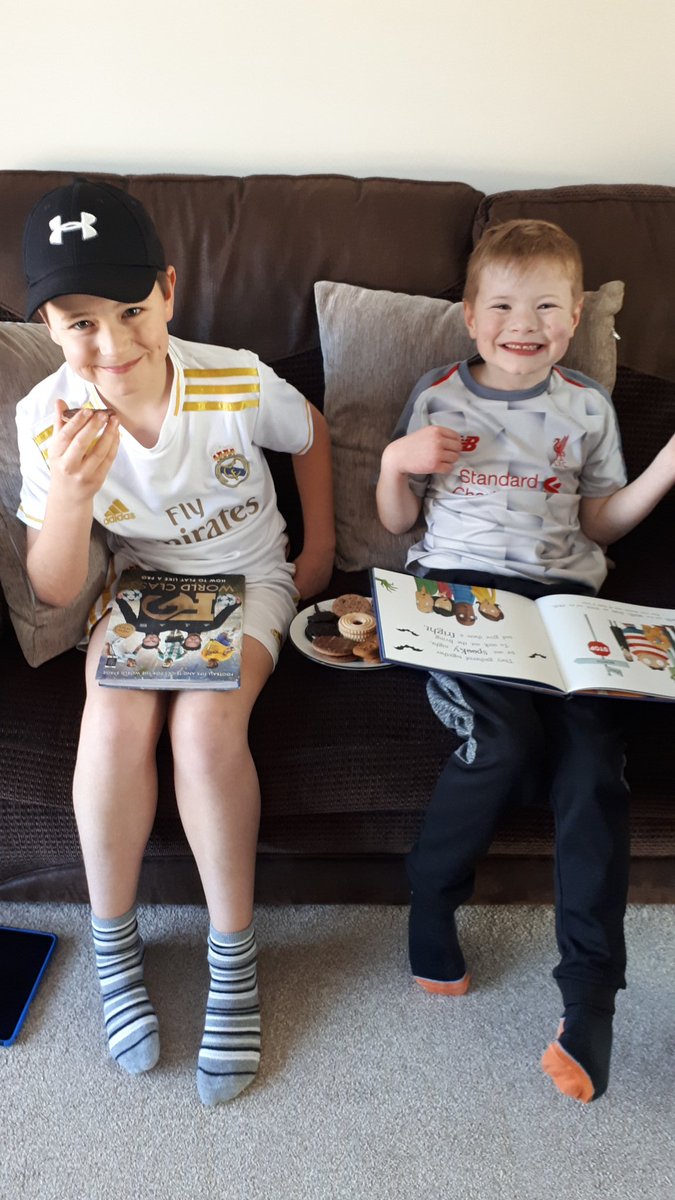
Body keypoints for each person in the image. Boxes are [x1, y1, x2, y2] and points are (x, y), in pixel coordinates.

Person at [16, 179, 335, 1104]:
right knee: (113, 721)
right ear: (48, 326)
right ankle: (113, 947)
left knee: (204, 729)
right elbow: (53, 587)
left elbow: (309, 433)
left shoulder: (232, 378)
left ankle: (232, 959)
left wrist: (319, 548)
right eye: (80, 324)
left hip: (248, 575)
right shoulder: (45, 417)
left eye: (131, 311)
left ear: (167, 289)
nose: (111, 346)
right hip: (143, 583)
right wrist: (72, 499)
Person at [376, 218, 675, 1104]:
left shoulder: (586, 404)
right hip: (460, 592)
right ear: (470, 317)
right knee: (502, 744)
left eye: (546, 307)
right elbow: (396, 522)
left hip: (565, 600)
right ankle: (432, 896)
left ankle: (589, 997)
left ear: (574, 317)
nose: (524, 324)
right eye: (503, 307)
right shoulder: (437, 394)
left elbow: (598, 524)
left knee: (592, 768)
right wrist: (395, 462)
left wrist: (662, 470)